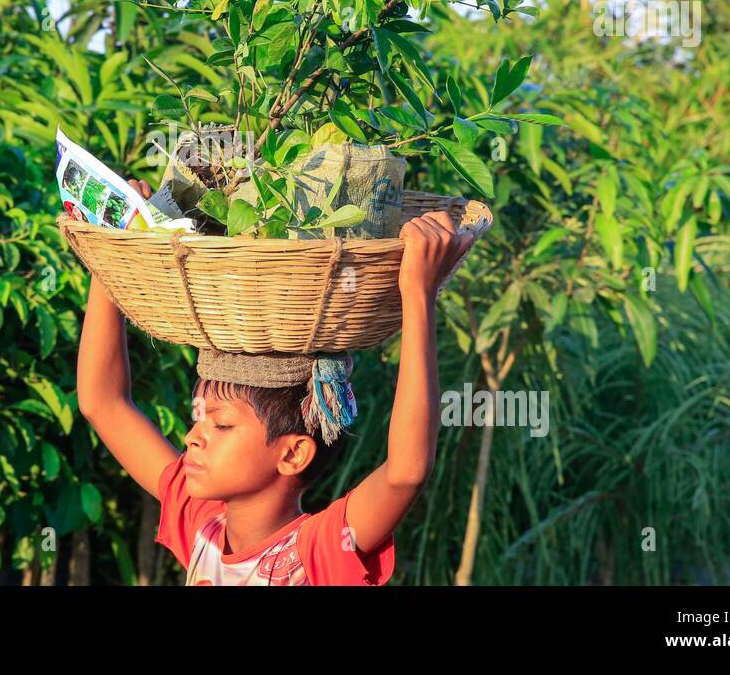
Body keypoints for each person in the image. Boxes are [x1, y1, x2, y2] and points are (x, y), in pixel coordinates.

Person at [76, 178, 474, 585]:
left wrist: (418, 294)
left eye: (222, 424)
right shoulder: (202, 529)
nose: (193, 438)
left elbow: (405, 472)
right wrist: (114, 250)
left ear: (293, 454)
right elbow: (102, 402)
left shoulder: (314, 551)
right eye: (200, 419)